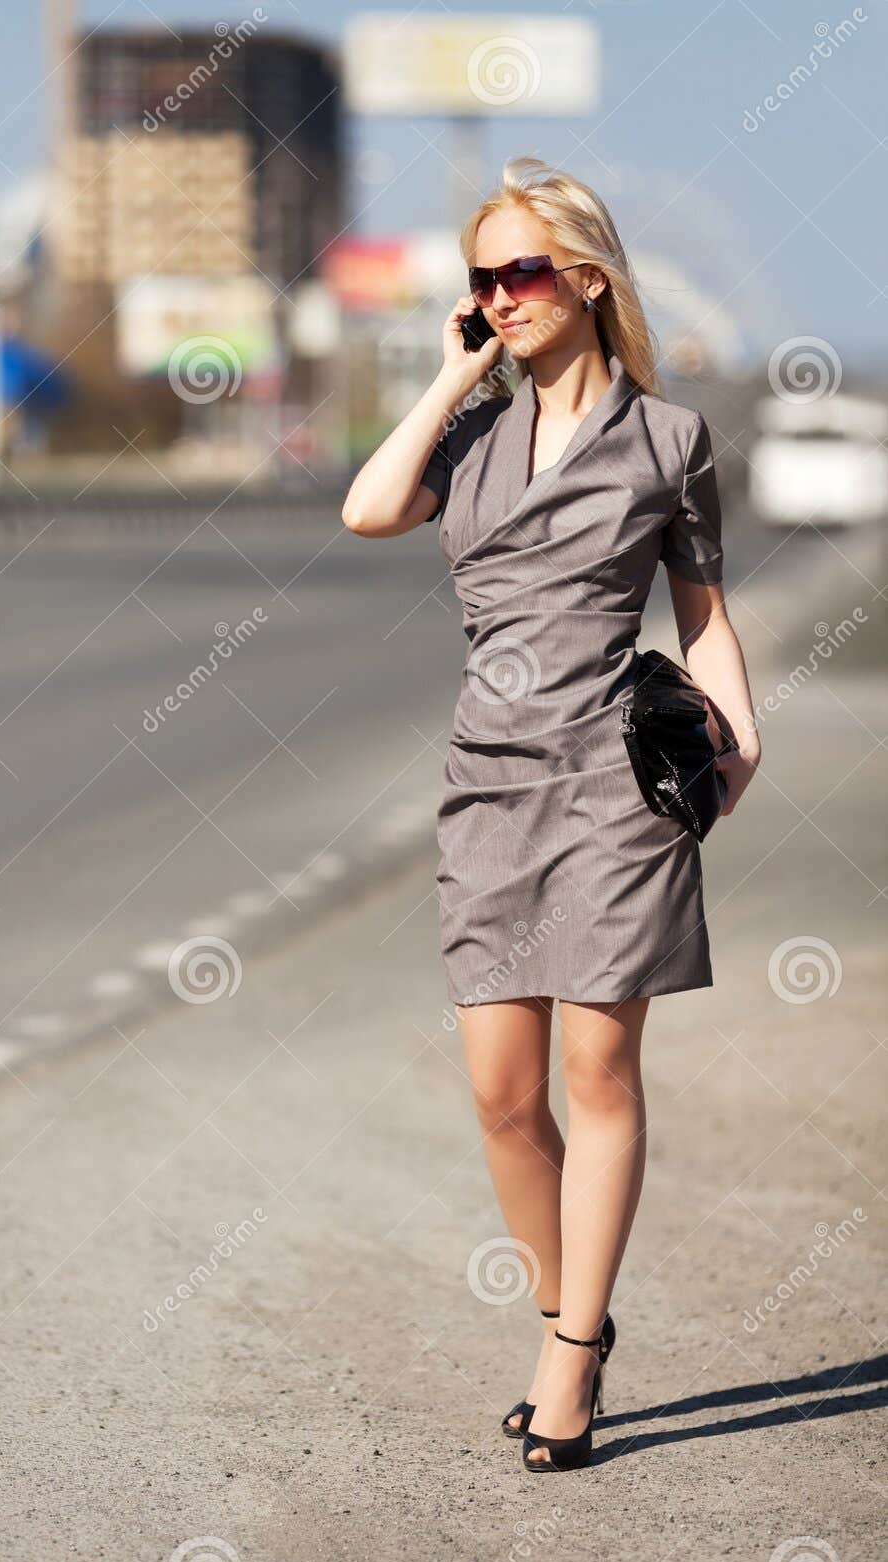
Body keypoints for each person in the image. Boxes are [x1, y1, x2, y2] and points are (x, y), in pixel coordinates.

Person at [341, 156, 761, 1472]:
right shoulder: (470, 434)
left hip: (615, 788)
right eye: (482, 279)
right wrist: (457, 371)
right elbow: (366, 510)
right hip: (490, 784)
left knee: (599, 1072)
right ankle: (567, 1305)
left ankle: (568, 1358)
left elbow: (704, 617)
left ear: (588, 277)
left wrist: (739, 747)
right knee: (504, 1097)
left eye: (519, 271)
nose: (498, 296)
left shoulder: (671, 440)